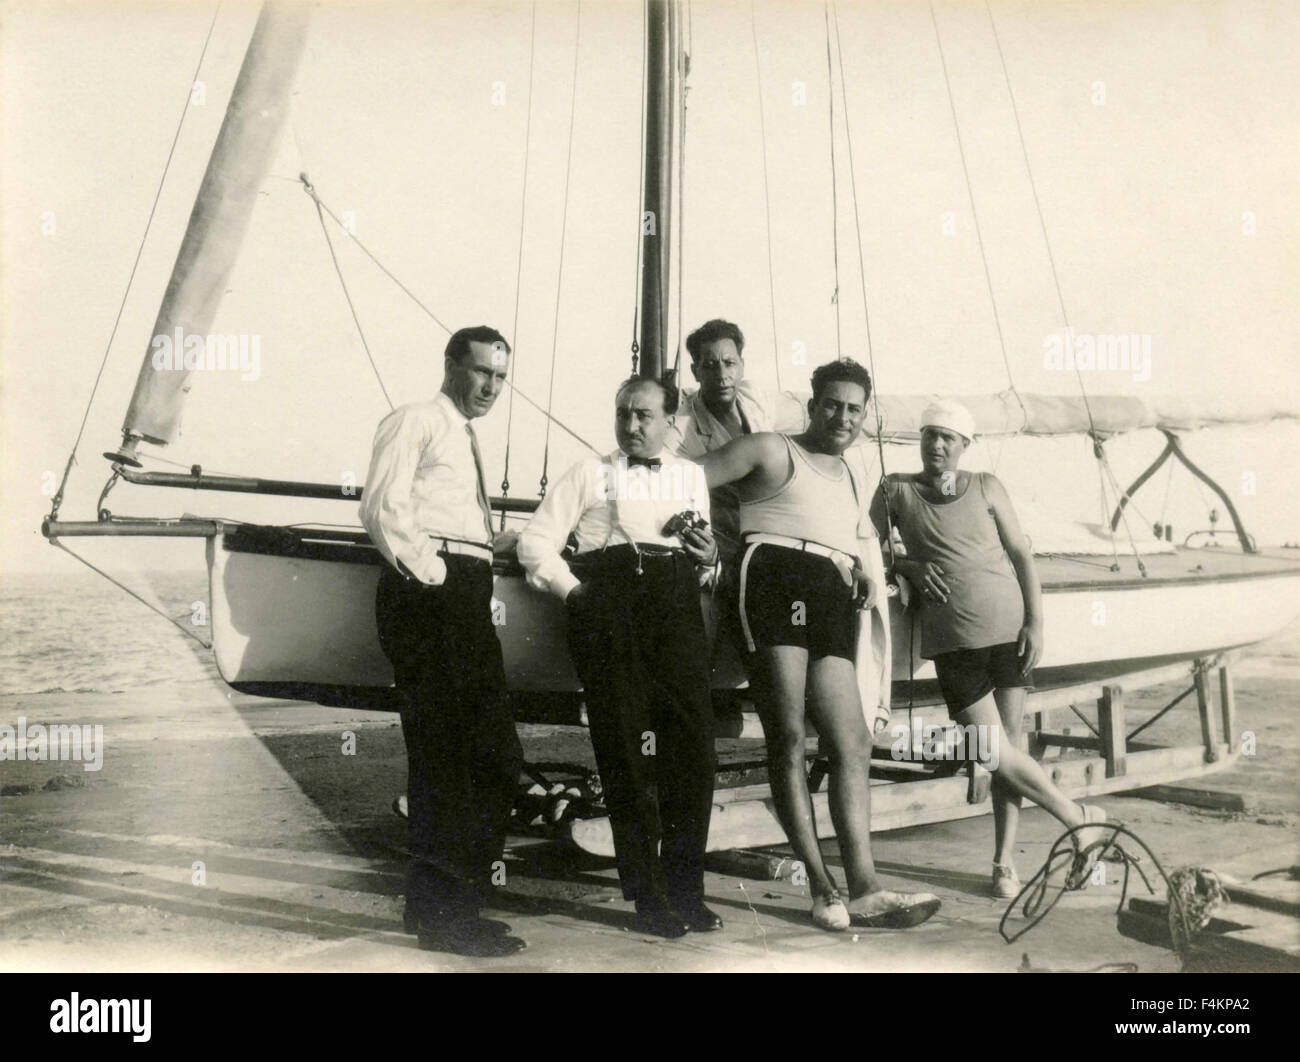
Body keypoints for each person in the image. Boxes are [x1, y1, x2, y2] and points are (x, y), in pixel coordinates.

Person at [698, 358, 941, 932]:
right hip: (773, 576)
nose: (842, 416)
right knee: (785, 735)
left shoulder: (855, 472)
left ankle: (866, 888)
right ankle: (821, 885)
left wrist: (867, 564)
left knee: (851, 741)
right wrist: (700, 540)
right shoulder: (769, 448)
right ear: (812, 405)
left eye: (854, 408)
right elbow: (679, 477)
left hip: (832, 591)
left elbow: (857, 534)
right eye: (832, 403)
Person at [868, 398, 1108, 898]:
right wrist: (907, 567)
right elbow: (870, 546)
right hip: (953, 642)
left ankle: (1003, 864)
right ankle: (1079, 817)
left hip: (1010, 631)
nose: (937, 444)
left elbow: (1021, 553)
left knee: (1007, 749)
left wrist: (1037, 624)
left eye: (948, 438)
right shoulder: (895, 490)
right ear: (921, 438)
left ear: (964, 446)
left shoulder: (986, 486)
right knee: (992, 749)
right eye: (930, 434)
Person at [517, 376, 723, 938]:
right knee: (627, 758)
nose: (631, 427)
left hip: (677, 614)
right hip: (609, 611)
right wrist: (576, 594)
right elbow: (534, 543)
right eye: (623, 414)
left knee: (692, 754)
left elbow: (703, 562)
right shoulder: (589, 473)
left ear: (669, 423)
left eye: (644, 416)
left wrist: (710, 559)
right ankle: (648, 898)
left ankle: (687, 888)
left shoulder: (690, 476)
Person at [359, 325, 526, 957]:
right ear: (452, 365)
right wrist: (438, 576)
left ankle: (438, 906)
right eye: (482, 371)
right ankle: (446, 915)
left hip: (461, 589)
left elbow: (449, 518)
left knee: (479, 757)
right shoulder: (417, 420)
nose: (491, 385)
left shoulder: (461, 435)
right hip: (432, 596)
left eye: (501, 376)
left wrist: (488, 550)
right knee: (453, 758)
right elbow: (382, 507)